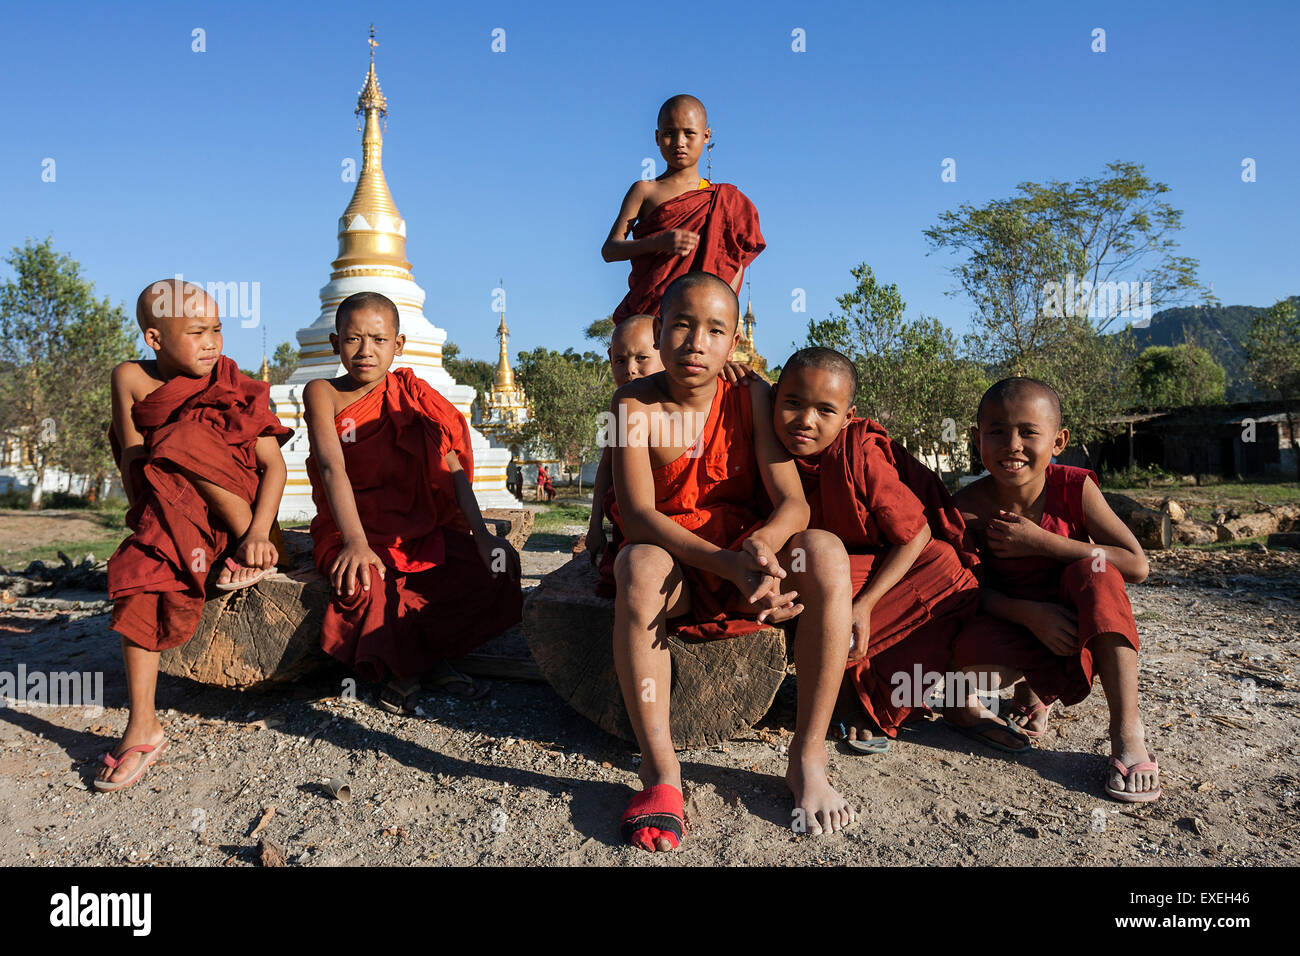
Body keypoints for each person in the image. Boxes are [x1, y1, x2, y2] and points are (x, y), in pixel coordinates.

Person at [609, 272, 856, 852]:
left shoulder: (751, 395)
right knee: (638, 567)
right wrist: (726, 564)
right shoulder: (631, 406)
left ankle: (808, 757)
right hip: (681, 564)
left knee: (825, 553)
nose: (697, 342)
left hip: (743, 555)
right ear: (660, 329)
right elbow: (639, 515)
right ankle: (662, 774)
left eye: (715, 330)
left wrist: (764, 547)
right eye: (683, 326)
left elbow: (792, 502)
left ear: (734, 339)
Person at [773, 348, 1030, 754]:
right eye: (792, 403)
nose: (805, 421)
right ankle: (854, 689)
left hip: (858, 569)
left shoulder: (858, 452)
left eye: (825, 410)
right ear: (773, 399)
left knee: (948, 571)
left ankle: (871, 697)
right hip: (803, 567)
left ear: (848, 416)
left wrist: (865, 607)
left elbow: (916, 533)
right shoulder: (764, 444)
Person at [98, 279, 290, 791]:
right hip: (171, 512)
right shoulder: (130, 377)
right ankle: (143, 725)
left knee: (180, 436)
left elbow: (274, 467)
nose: (213, 343)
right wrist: (151, 525)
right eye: (198, 332)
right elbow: (133, 459)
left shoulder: (233, 382)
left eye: (219, 330)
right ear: (155, 339)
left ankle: (256, 549)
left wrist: (256, 532)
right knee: (140, 575)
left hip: (245, 518)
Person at [304, 291, 523, 713]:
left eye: (379, 340)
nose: (365, 351)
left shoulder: (410, 394)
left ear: (398, 345)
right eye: (352, 339)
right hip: (351, 526)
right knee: (365, 583)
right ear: (335, 344)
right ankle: (409, 668)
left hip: (412, 527)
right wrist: (354, 542)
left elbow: (452, 465)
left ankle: (422, 657)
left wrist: (481, 536)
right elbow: (333, 468)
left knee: (490, 569)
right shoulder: (323, 393)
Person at [952, 377, 1159, 802]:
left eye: (1029, 432)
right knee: (964, 649)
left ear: (1059, 440)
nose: (1012, 444)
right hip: (1016, 625)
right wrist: (1030, 614)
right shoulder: (966, 507)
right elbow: (967, 591)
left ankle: (1127, 732)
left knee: (1097, 571)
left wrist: (1045, 543)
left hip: (1074, 624)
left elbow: (1136, 565)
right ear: (976, 439)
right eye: (997, 431)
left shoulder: (1074, 488)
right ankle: (1031, 687)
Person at [602, 94, 765, 324]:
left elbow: (734, 265)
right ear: (657, 138)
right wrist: (659, 242)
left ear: (706, 136)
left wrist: (723, 324)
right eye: (669, 133)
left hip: (701, 315)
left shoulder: (724, 201)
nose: (679, 142)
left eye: (689, 133)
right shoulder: (644, 190)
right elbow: (610, 250)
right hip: (651, 312)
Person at [587, 314, 664, 568]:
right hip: (635, 530)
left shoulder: (684, 399)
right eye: (620, 360)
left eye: (641, 358)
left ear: (665, 353)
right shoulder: (622, 409)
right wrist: (594, 526)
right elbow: (606, 468)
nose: (630, 369)